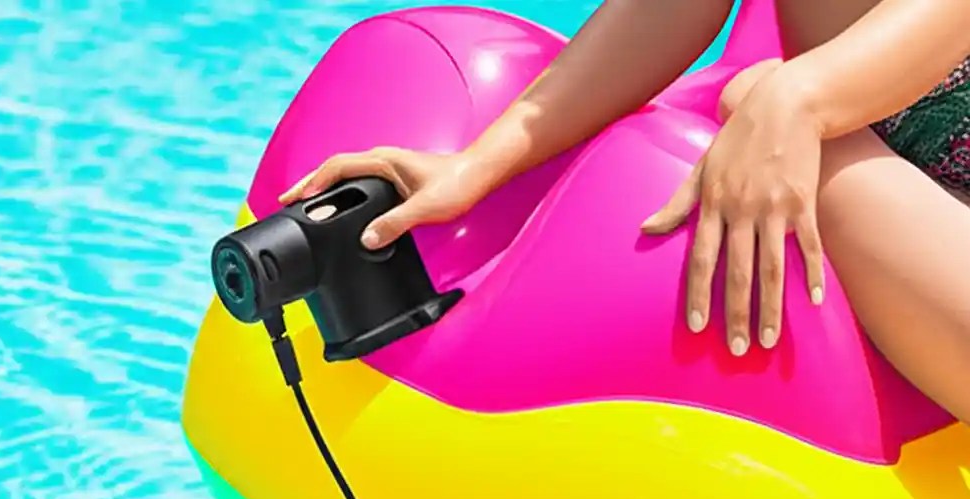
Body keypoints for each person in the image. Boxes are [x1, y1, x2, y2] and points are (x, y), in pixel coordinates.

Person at [280, 0, 970, 431]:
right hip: (905, 170)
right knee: (759, 103)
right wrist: (480, 165)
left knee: (767, 101)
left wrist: (799, 95)